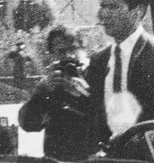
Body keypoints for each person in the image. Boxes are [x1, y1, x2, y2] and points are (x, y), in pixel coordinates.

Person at [87, 0, 154, 146]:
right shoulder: (98, 61)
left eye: (113, 7)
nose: (103, 14)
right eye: (102, 6)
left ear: (138, 11)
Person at [17, 25, 95, 160]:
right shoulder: (50, 83)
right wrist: (42, 92)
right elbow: (28, 125)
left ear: (82, 49)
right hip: (57, 155)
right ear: (52, 55)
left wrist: (83, 91)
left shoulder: (94, 74)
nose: (68, 56)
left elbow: (102, 118)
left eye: (72, 49)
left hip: (89, 155)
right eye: (61, 51)